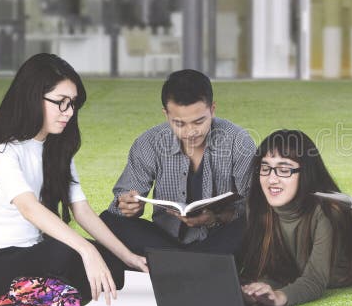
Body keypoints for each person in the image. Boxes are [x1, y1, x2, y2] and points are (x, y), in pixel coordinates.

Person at [0, 53, 147, 304]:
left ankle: (66, 290)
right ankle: (59, 292)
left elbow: (81, 210)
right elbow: (29, 208)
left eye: (72, 103)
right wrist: (86, 249)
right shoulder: (2, 151)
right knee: (69, 255)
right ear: (33, 98)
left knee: (116, 263)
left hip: (37, 253)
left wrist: (127, 256)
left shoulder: (56, 148)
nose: (68, 112)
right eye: (60, 102)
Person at [99, 69, 256, 256]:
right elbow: (120, 204)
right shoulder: (149, 142)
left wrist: (215, 218)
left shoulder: (238, 141)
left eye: (198, 122)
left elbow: (256, 208)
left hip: (219, 237)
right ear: (166, 114)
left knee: (249, 226)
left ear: (212, 110)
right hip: (166, 239)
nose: (190, 132)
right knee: (109, 220)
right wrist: (128, 206)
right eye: (179, 123)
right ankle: (195, 264)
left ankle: (176, 263)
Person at [240, 130, 352, 306]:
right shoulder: (258, 207)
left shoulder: (326, 212)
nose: (272, 179)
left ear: (305, 173)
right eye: (265, 168)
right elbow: (273, 270)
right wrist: (259, 289)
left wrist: (280, 296)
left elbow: (314, 281)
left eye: (284, 170)